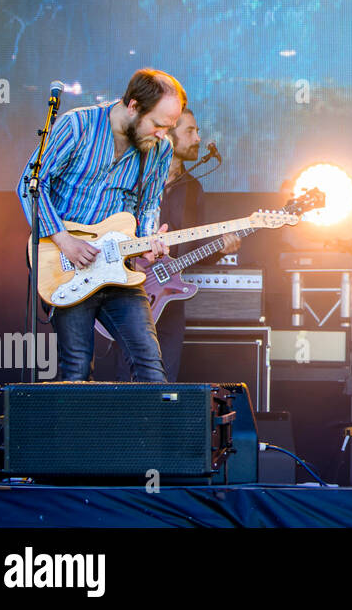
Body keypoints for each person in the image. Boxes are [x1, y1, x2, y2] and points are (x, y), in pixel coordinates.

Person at [18, 69, 184, 381]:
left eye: (169, 127)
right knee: (78, 369)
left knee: (150, 367)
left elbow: (148, 204)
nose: (162, 133)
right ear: (133, 106)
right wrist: (64, 239)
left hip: (118, 269)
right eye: (158, 124)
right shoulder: (77, 125)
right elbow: (30, 186)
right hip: (66, 264)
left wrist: (150, 241)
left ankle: (148, 431)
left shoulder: (160, 149)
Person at [114, 109, 238, 381]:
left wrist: (219, 248)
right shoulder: (135, 176)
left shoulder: (193, 189)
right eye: (190, 131)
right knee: (124, 380)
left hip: (169, 300)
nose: (198, 138)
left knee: (165, 384)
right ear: (168, 135)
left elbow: (191, 251)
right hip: (127, 293)